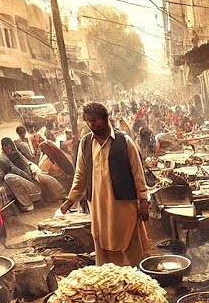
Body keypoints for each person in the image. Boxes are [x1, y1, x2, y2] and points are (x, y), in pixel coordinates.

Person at [60, 102, 151, 266]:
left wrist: (143, 201)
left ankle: (141, 279)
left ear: (106, 118)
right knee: (103, 243)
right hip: (98, 206)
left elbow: (138, 173)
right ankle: (110, 282)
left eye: (95, 120)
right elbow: (80, 174)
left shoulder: (125, 142)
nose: (92, 124)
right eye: (88, 120)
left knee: (131, 242)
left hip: (123, 205)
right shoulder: (85, 143)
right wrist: (70, 200)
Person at [0, 137, 63, 212]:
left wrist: (34, 172)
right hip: (11, 187)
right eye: (7, 147)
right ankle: (27, 205)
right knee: (9, 177)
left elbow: (28, 163)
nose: (10, 149)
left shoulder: (17, 154)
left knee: (42, 177)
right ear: (3, 147)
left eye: (11, 146)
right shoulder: (2, 160)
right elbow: (1, 178)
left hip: (29, 183)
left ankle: (60, 196)